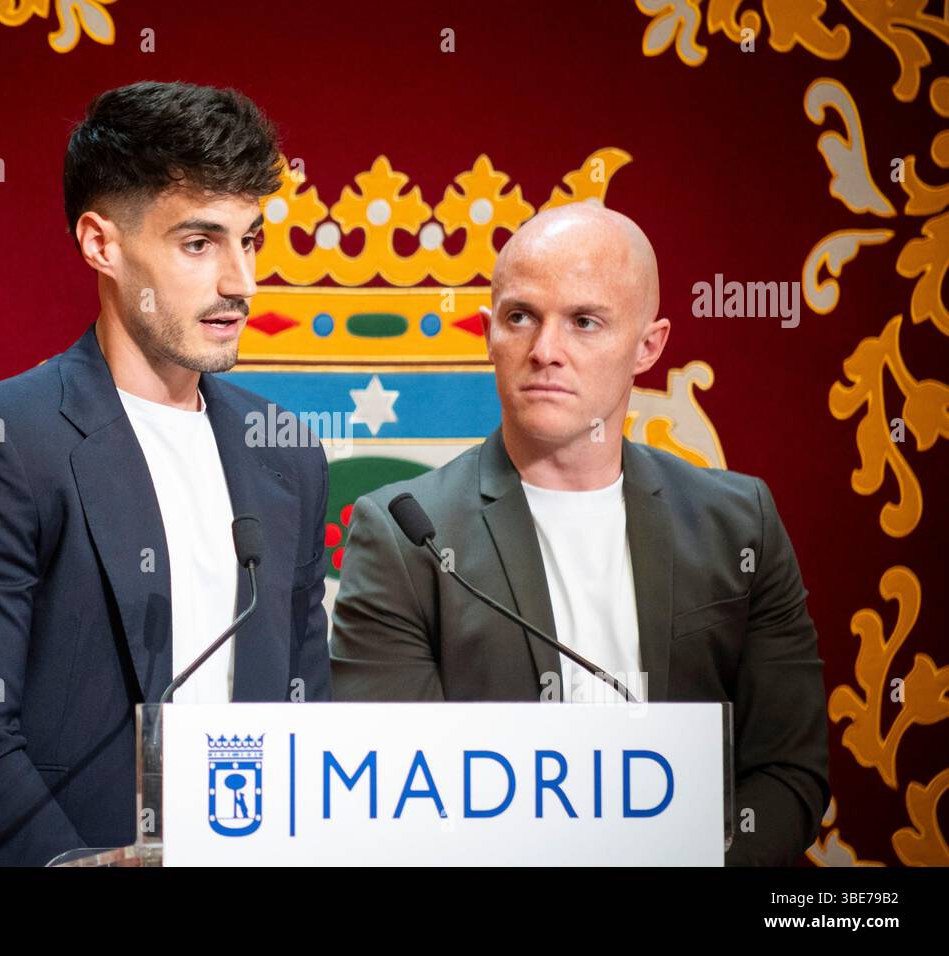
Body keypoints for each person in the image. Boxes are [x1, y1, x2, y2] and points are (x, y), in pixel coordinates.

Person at [0, 81, 332, 866]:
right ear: (101, 244)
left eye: (252, 240)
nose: (241, 282)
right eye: (199, 244)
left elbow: (306, 716)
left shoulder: (287, 450)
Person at [329, 201, 829, 866]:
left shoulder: (739, 523)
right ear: (488, 335)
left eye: (584, 321)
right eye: (519, 318)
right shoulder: (403, 534)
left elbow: (787, 773)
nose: (544, 352)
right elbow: (397, 793)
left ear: (648, 346)